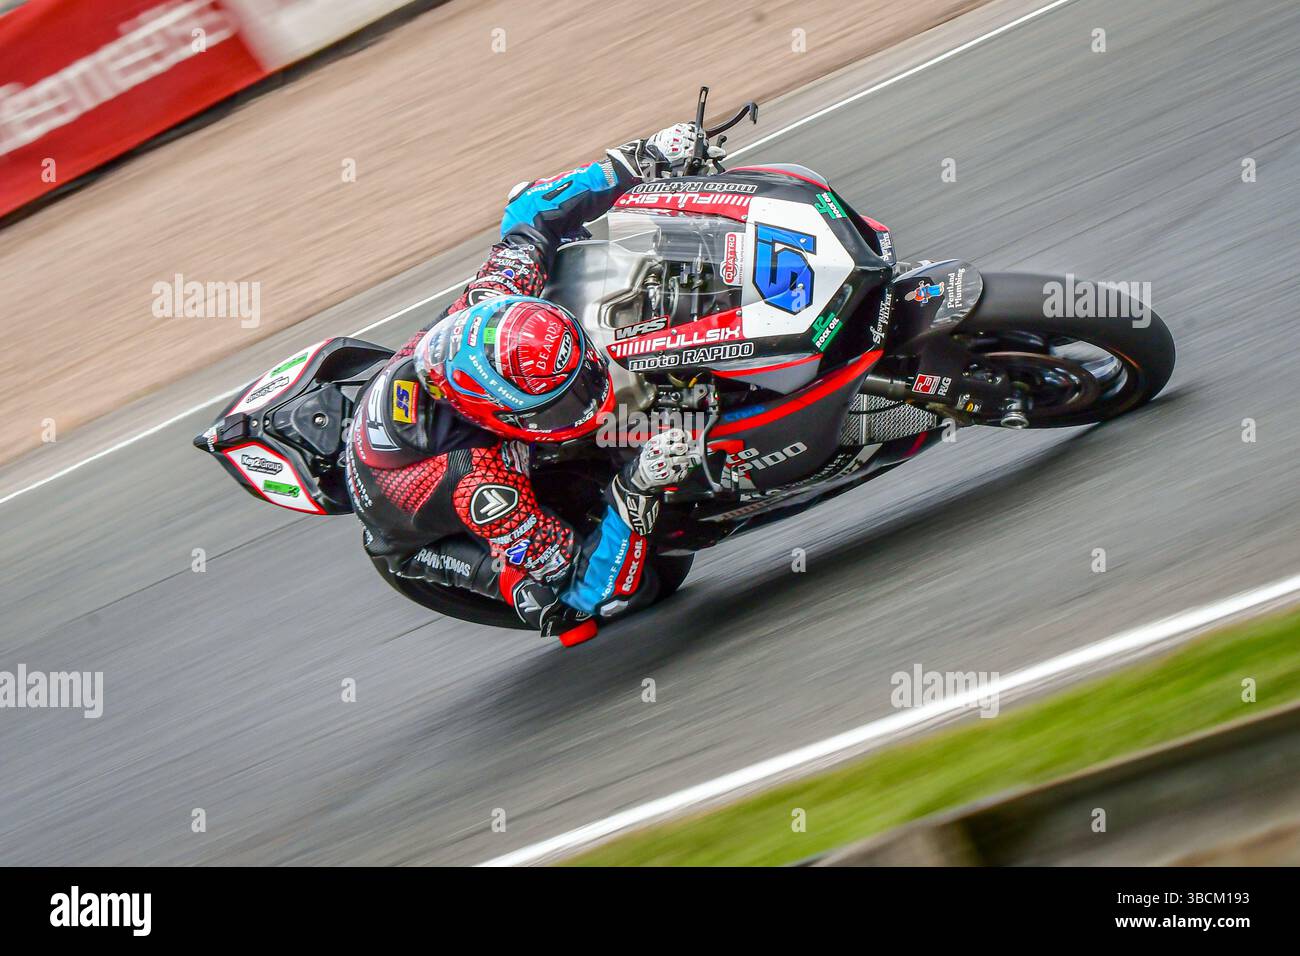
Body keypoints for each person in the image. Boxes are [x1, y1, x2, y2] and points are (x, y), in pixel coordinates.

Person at [345, 124, 705, 646]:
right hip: (418, 528)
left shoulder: (494, 297)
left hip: (424, 415)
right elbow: (584, 586)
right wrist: (638, 485)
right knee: (568, 600)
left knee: (567, 251)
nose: (592, 394)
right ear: (502, 419)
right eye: (563, 403)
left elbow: (530, 210)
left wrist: (637, 160)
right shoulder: (484, 486)